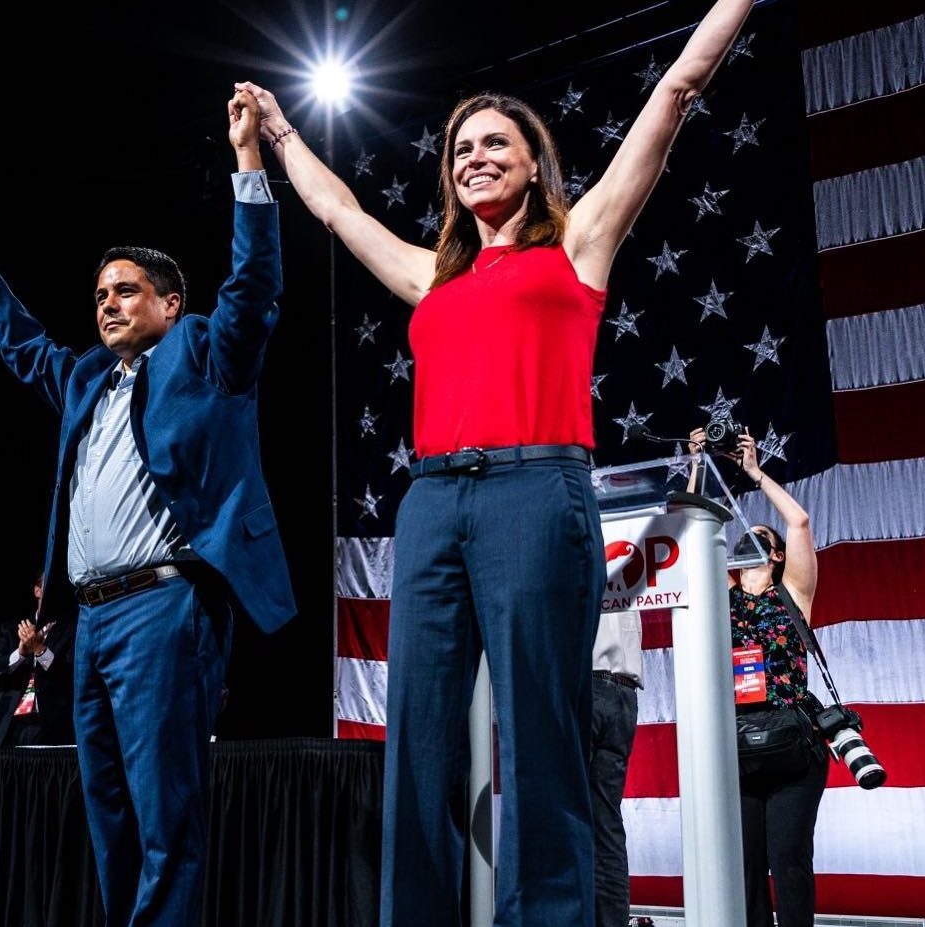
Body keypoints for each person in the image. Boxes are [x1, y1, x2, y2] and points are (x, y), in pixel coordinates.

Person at [237, 4, 753, 921]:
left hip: (535, 491)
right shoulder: (429, 277)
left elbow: (675, 91)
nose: (473, 155)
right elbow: (334, 207)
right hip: (432, 501)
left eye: (494, 143)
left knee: (539, 733)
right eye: (459, 149)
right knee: (420, 742)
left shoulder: (578, 246)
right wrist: (276, 129)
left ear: (532, 163)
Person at [0, 89, 294, 927]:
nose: (106, 302)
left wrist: (248, 162)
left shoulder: (204, 350)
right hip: (92, 623)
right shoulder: (83, 380)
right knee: (107, 810)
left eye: (126, 290)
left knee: (163, 815)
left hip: (164, 608)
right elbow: (23, 345)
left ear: (168, 304)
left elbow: (253, 287)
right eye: (101, 292)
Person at [704, 428, 825, 927]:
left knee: (789, 862)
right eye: (744, 538)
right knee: (747, 868)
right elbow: (687, 541)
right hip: (738, 746)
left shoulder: (792, 594)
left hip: (792, 742)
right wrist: (699, 465)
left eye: (762, 538)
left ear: (775, 556)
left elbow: (797, 520)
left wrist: (754, 473)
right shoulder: (718, 599)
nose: (751, 539)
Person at [589, 609, 644, 927]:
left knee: (563, 817)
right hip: (623, 689)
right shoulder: (632, 558)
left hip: (585, 680)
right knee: (606, 825)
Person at [0, 571, 74, 746]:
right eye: (48, 586)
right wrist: (20, 654)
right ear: (37, 590)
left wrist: (40, 649)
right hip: (9, 724)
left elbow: (69, 677)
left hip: (47, 725)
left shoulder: (70, 629)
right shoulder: (12, 628)